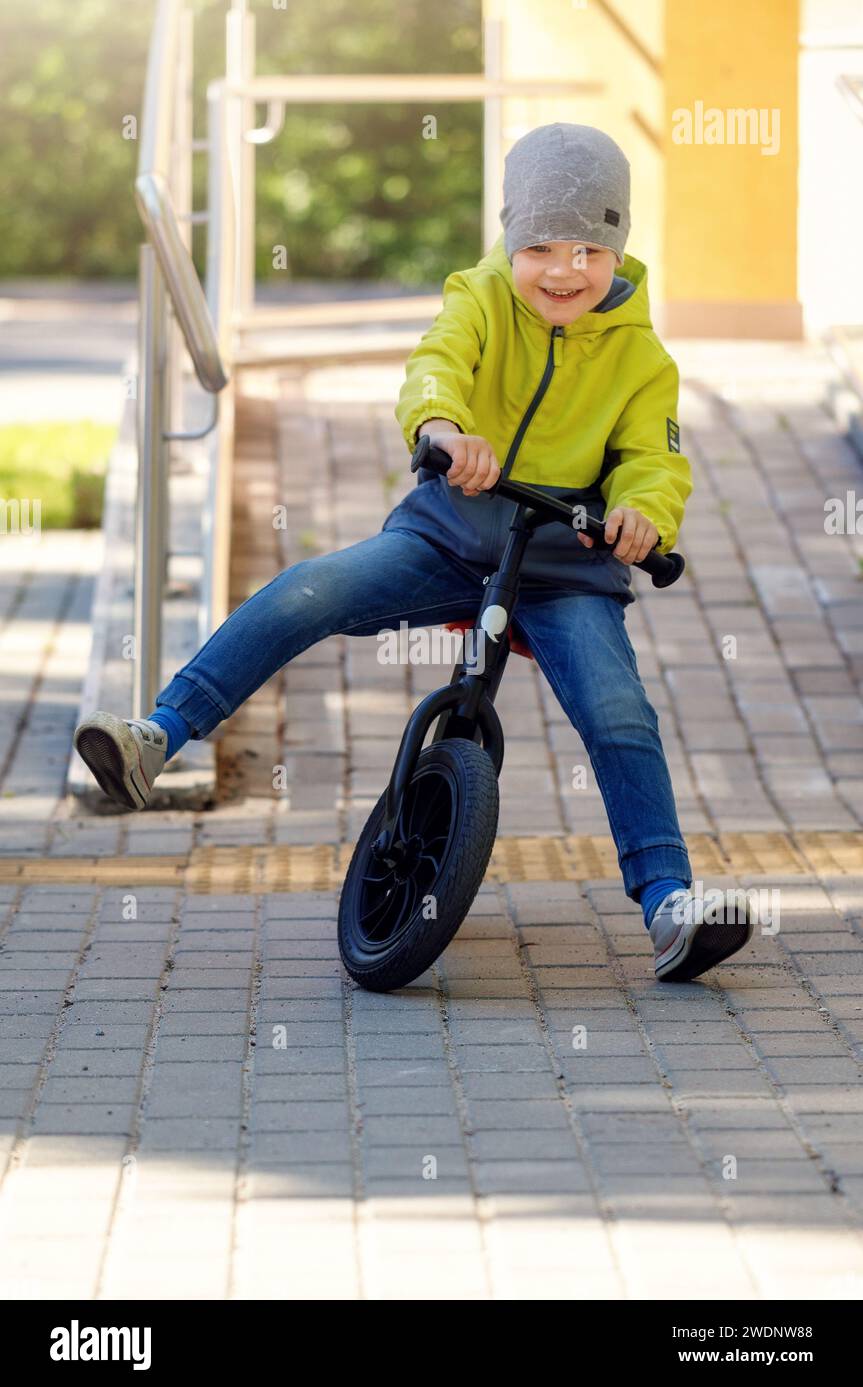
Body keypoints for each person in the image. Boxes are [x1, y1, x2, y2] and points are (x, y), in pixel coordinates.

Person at [74, 122, 753, 981]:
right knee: (307, 590)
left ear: (618, 249)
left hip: (562, 563)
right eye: (540, 246)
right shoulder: (477, 299)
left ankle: (668, 903)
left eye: (588, 249)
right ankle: (156, 735)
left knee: (619, 713)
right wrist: (443, 429)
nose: (562, 271)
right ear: (510, 238)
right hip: (449, 532)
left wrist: (641, 514)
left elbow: (654, 460)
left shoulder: (641, 357)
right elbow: (436, 365)